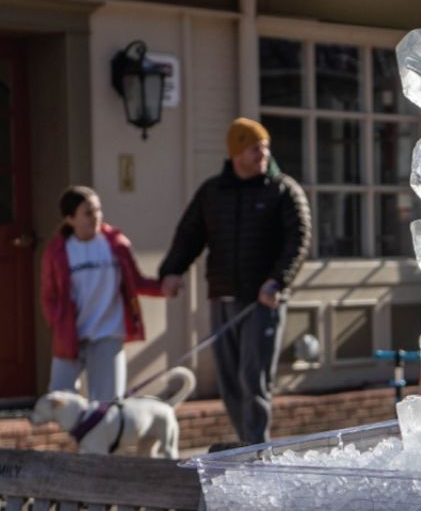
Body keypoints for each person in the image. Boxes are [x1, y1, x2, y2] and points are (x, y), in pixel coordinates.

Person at [159, 117, 311, 444]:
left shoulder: (283, 190)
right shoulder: (213, 193)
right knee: (229, 380)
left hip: (262, 301)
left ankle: (256, 447)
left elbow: (298, 241)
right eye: (256, 148)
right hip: (223, 297)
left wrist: (277, 281)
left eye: (266, 147)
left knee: (252, 379)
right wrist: (172, 271)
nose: (264, 154)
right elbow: (189, 236)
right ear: (237, 152)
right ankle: (245, 444)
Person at [40, 186, 164, 402]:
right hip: (71, 335)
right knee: (58, 401)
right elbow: (48, 296)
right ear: (70, 219)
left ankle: (104, 437)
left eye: (98, 210)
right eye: (88, 213)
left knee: (108, 406)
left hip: (108, 334)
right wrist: (58, 321)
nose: (95, 217)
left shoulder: (115, 244)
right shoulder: (58, 251)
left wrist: (163, 288)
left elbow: (135, 281)